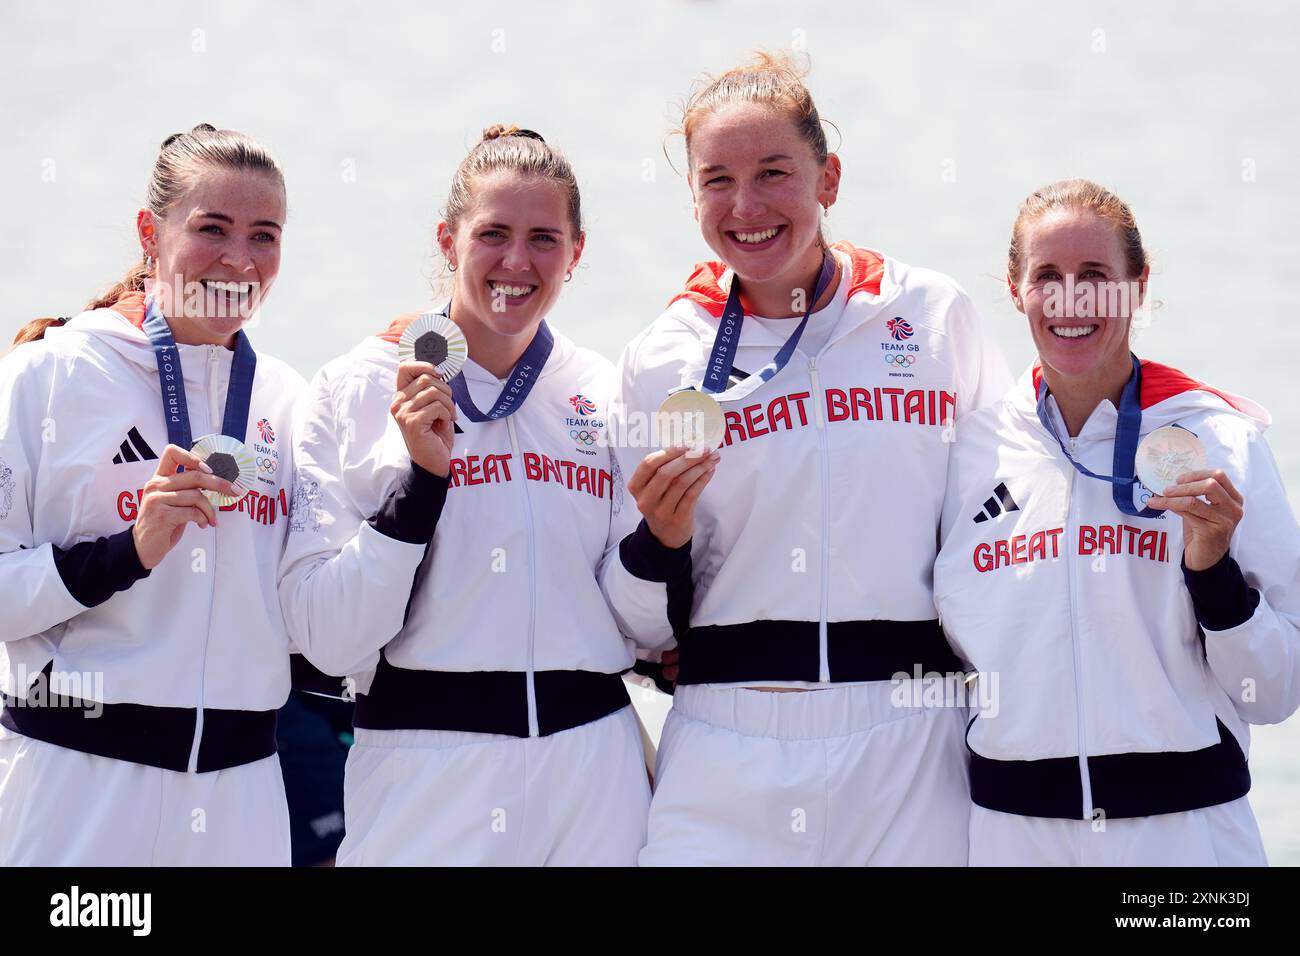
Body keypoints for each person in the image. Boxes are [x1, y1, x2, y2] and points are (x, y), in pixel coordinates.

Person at [606, 52, 1011, 866]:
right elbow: (631, 621)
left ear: (828, 179)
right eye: (716, 179)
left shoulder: (930, 315)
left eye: (774, 173)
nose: (745, 206)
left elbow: (1004, 510)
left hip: (911, 737)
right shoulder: (662, 357)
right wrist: (660, 539)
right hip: (727, 739)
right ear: (691, 196)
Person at [279, 125, 693, 865]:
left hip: (592, 770)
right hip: (426, 769)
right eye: (492, 234)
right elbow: (328, 635)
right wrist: (420, 488)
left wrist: (663, 541)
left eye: (544, 238)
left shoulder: (602, 389)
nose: (516, 261)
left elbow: (635, 625)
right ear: (448, 241)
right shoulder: (356, 386)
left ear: (577, 250)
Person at [933, 178, 1300, 865]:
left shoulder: (1221, 441)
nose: (1071, 299)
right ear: (1016, 290)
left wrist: (1213, 573)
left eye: (1096, 276)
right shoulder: (967, 453)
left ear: (1137, 286)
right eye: (1048, 276)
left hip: (1185, 836)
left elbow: (1276, 690)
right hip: (1013, 836)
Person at [0, 124, 304, 865]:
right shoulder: (51, 375)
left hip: (241, 798)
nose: (239, 259)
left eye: (264, 235)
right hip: (80, 785)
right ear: (151, 231)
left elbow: (313, 610)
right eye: (212, 229)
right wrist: (125, 554)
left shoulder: (289, 399)